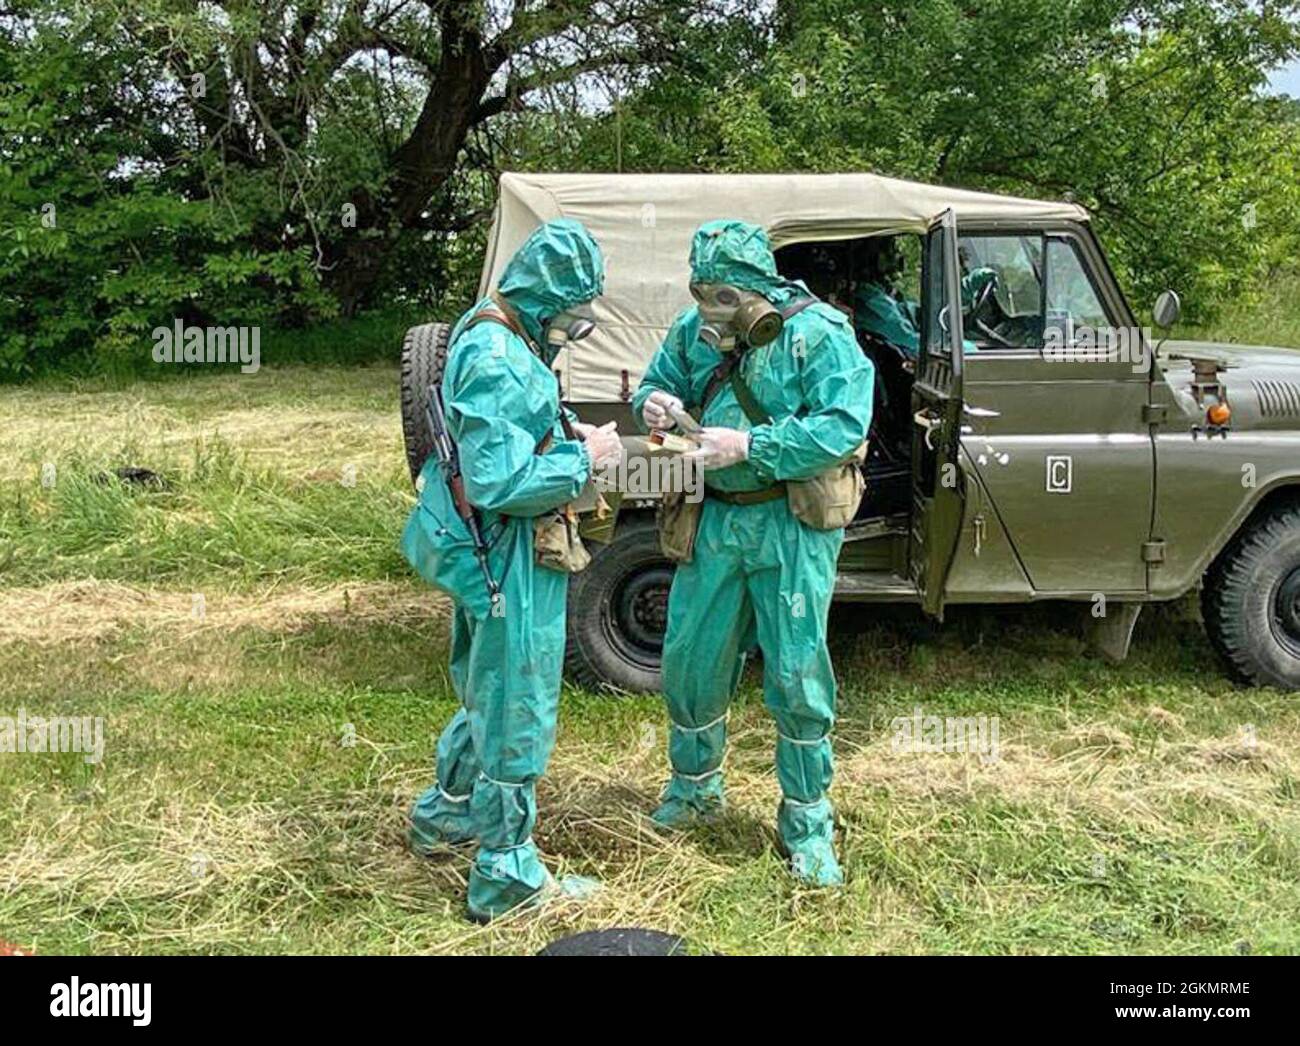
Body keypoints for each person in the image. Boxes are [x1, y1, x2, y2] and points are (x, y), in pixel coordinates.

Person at [633, 219, 875, 887]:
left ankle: (807, 821)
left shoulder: (818, 335)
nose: (710, 307)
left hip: (789, 525)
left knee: (797, 672)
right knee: (689, 659)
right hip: (712, 523)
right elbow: (652, 383)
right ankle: (694, 788)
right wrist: (652, 403)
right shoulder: (693, 333)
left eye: (722, 294)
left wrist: (752, 448)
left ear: (756, 287)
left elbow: (844, 426)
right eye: (701, 290)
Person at [400, 218, 622, 922]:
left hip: (489, 551)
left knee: (485, 688)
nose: (574, 326)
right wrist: (584, 462)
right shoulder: (497, 352)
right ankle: (506, 874)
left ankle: (446, 815)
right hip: (508, 556)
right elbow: (498, 481)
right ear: (546, 293)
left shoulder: (501, 328)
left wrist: (563, 430)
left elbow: (498, 435)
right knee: (517, 703)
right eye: (572, 312)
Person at [853, 236, 997, 359]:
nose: (897, 254)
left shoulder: (881, 292)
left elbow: (928, 314)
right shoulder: (869, 299)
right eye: (889, 249)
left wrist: (966, 289)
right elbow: (909, 339)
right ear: (873, 257)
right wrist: (960, 351)